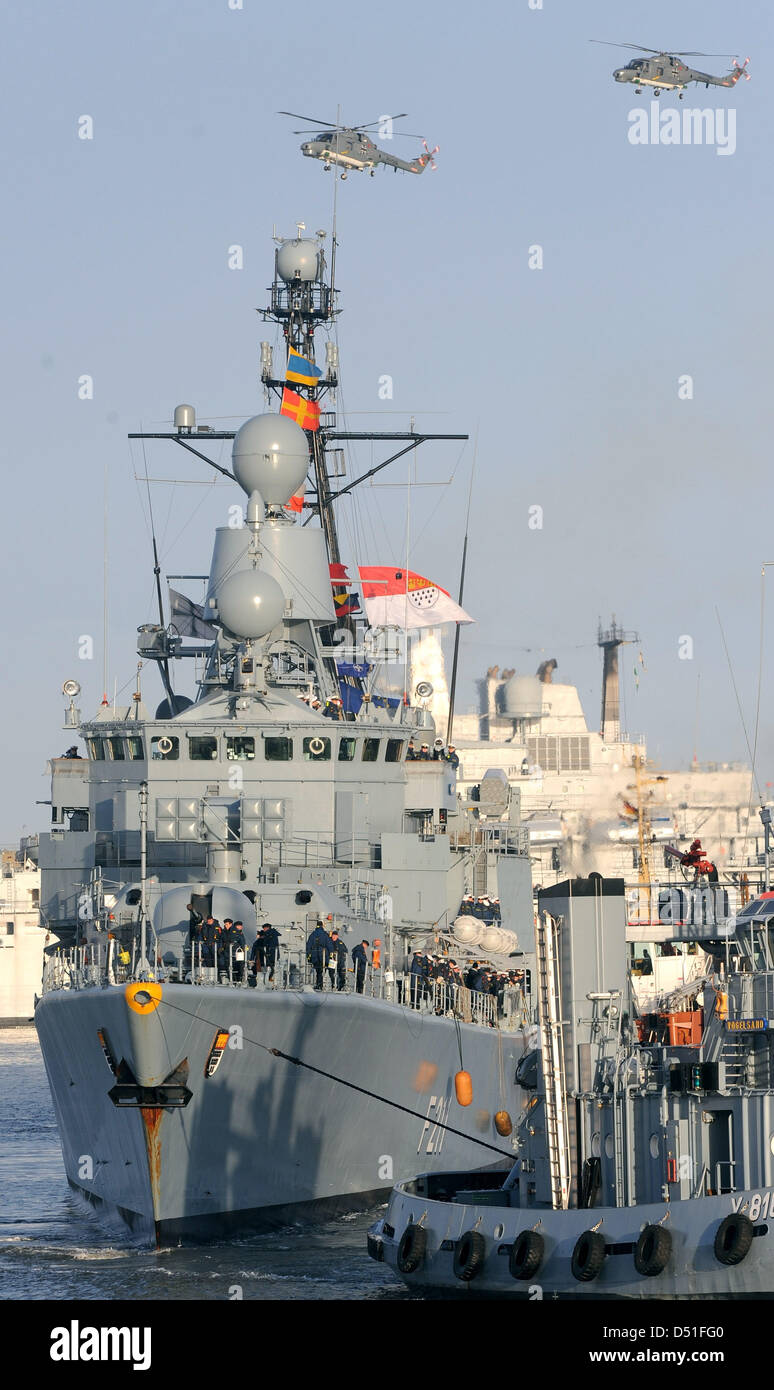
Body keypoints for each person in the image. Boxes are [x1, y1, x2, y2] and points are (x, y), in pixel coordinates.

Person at [306, 920, 334, 990]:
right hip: (323, 955)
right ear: (322, 926)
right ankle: (326, 985)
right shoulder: (325, 934)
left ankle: (318, 984)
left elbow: (308, 946)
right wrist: (331, 955)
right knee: (325, 970)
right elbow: (329, 945)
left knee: (318, 970)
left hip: (314, 955)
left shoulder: (312, 934)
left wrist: (308, 956)